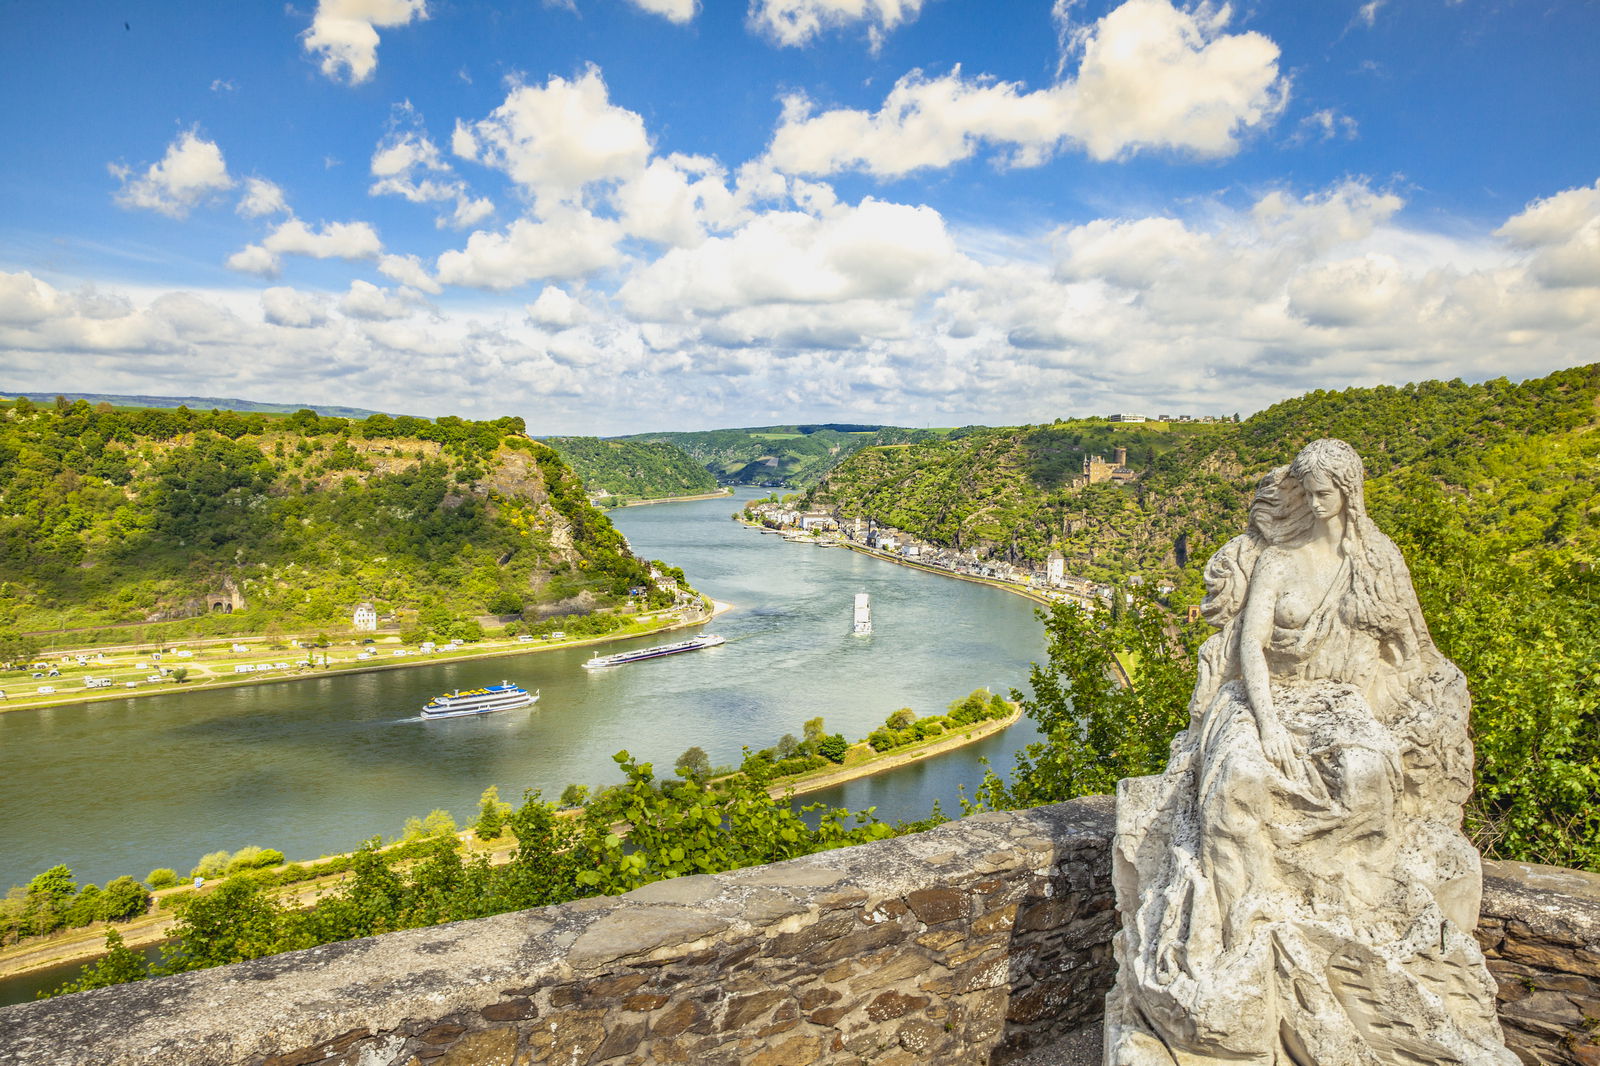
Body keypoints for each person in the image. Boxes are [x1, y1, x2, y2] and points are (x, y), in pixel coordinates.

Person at [1105, 439, 1514, 1065]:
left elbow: (1410, 649)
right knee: (1239, 778)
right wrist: (1267, 724)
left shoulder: (1375, 562)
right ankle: (1238, 922)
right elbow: (1250, 649)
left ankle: (1358, 905)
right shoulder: (1280, 560)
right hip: (1261, 699)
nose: (1317, 505)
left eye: (1327, 494)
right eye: (1309, 493)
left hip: (1338, 702)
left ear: (1349, 495)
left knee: (1367, 772)